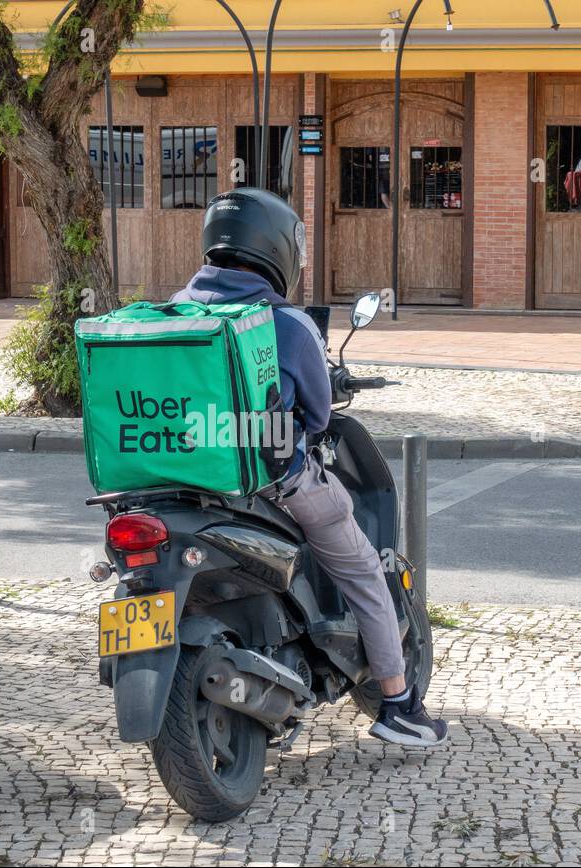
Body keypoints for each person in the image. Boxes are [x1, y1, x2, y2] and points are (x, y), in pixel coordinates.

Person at [170, 187, 448, 747]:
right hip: (273, 482)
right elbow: (318, 416)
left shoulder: (171, 314)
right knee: (364, 569)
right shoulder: (287, 326)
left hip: (173, 481)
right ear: (276, 251)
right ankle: (397, 704)